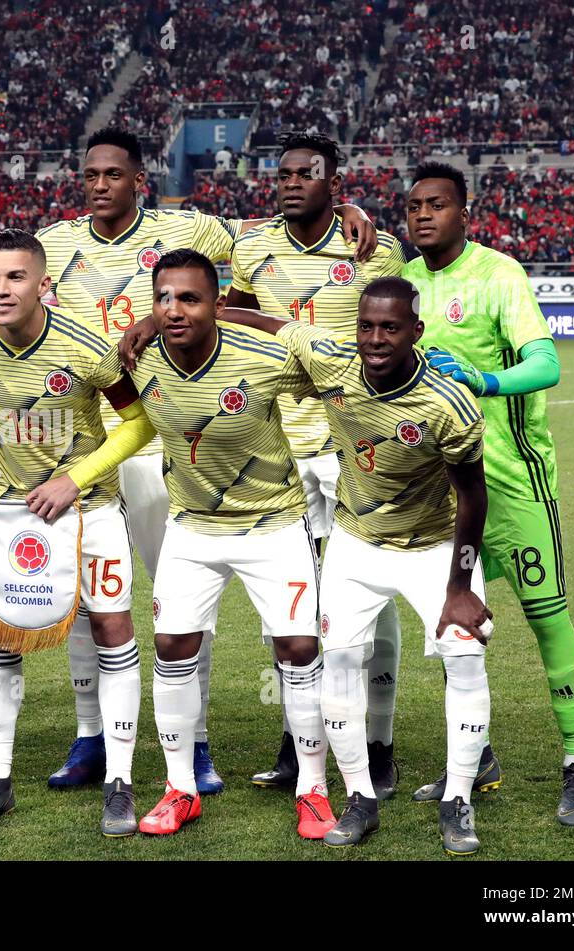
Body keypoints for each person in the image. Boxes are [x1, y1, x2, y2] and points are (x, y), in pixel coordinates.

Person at [0, 127, 378, 795]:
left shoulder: (187, 227)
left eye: (113, 174)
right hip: (76, 445)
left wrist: (346, 211)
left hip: (160, 431)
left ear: (140, 178)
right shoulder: (53, 241)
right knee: (82, 604)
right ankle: (90, 739)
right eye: (91, 174)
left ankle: (191, 746)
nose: (100, 184)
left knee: (181, 600)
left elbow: (267, 230)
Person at [122, 131, 407, 797]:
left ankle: (380, 741)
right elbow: (210, 295)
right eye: (282, 172)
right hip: (272, 442)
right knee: (294, 616)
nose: (289, 181)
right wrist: (148, 321)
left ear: (336, 182)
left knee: (366, 597)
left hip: (349, 445)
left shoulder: (377, 246)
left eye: (307, 172)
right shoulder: (249, 243)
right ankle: (296, 743)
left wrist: (358, 214)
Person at [224, 278, 494, 856]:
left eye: (390, 328)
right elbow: (273, 325)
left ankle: (459, 799)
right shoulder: (334, 361)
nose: (375, 338)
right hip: (355, 541)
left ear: (415, 332)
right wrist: (169, 318)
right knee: (340, 658)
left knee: (465, 654)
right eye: (366, 325)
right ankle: (360, 799)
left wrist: (461, 585)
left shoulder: (449, 403)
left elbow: (473, 496)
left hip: (433, 545)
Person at [0, 230, 155, 836]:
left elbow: (137, 426)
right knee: (1, 637)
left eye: (16, 277)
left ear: (42, 283)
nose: (2, 289)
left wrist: (74, 479)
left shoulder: (86, 347)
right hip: (12, 512)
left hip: (90, 508)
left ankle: (120, 783)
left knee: (112, 628)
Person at [402, 162, 574, 825]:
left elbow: (547, 364)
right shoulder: (406, 284)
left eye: (437, 204)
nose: (423, 214)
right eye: (414, 206)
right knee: (457, 629)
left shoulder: (499, 274)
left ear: (464, 213)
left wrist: (485, 379)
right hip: (444, 492)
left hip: (514, 485)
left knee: (546, 617)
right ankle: (474, 754)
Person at [122, 250, 331, 838]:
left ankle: (312, 789)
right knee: (171, 644)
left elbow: (331, 362)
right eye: (163, 298)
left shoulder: (264, 358)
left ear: (218, 302)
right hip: (192, 527)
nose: (174, 309)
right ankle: (180, 789)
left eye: (190, 298)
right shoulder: (136, 360)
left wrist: (251, 318)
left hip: (274, 524)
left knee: (297, 647)